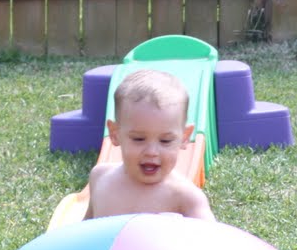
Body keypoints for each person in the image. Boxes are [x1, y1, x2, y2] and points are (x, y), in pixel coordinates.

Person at [84, 69, 214, 221]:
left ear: (184, 138)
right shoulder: (100, 178)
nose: (151, 152)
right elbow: (84, 230)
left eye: (165, 141)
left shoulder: (186, 198)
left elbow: (211, 235)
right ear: (115, 134)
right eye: (139, 139)